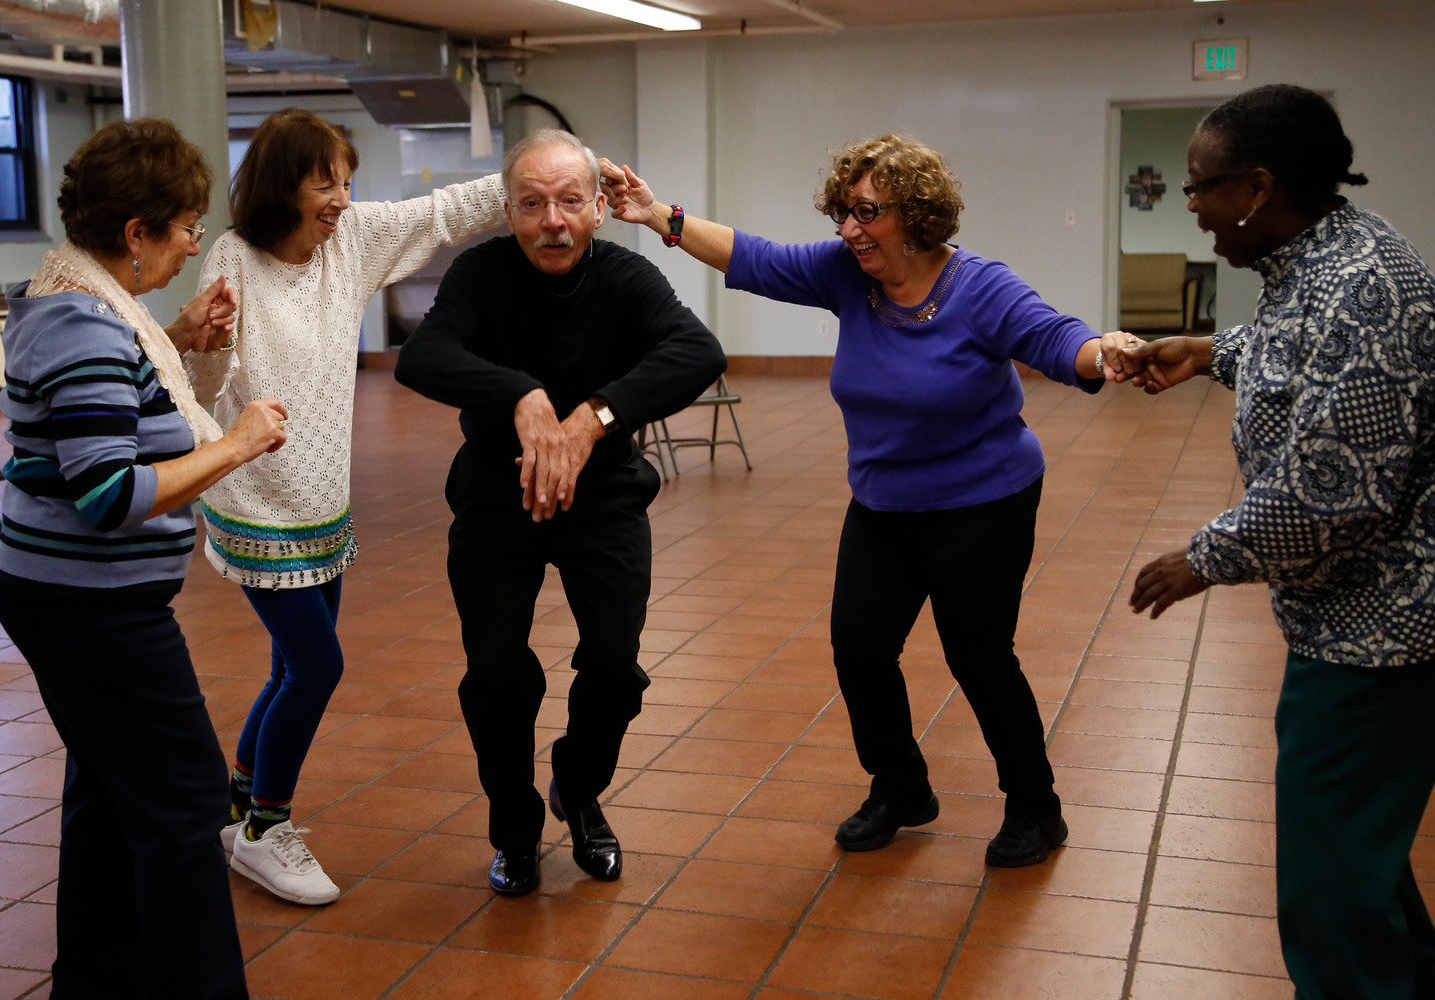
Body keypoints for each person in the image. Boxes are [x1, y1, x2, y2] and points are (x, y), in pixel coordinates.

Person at [603, 135, 1133, 867]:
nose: (849, 230)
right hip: (885, 502)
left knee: (979, 657)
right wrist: (655, 213)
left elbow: (1055, 339)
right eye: (842, 213)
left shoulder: (981, 287)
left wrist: (1103, 352)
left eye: (866, 213)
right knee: (859, 648)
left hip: (983, 500)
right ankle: (901, 788)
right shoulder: (849, 274)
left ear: (915, 217)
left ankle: (1036, 810)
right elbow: (752, 256)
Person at [1123, 84, 1435, 1000]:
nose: (1193, 208)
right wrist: (1205, 348)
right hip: (1349, 621)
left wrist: (1200, 559)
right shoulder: (1323, 261)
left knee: (1331, 886)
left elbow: (1333, 491)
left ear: (1257, 188)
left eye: (1200, 188)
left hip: (1385, 632)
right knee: (1361, 860)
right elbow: (1297, 349)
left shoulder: (1367, 282)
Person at [0, 118, 288, 1000]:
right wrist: (236, 444)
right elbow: (111, 495)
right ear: (136, 234)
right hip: (90, 607)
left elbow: (125, 412)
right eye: (188, 228)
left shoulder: (85, 305)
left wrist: (181, 338)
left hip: (68, 596)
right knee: (182, 803)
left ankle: (93, 979)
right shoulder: (82, 325)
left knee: (111, 794)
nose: (194, 247)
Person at [184, 108, 506, 906]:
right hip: (254, 497)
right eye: (322, 180)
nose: (340, 196)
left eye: (345, 179)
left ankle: (235, 808)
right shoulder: (233, 258)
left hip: (321, 499)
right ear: (278, 184)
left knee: (291, 664)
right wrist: (213, 342)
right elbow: (201, 394)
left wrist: (536, 182)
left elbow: (441, 212)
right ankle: (267, 828)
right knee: (317, 665)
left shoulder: (351, 240)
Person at [393, 129, 726, 896]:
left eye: (571, 202)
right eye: (535, 203)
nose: (554, 221)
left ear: (599, 208)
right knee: (497, 674)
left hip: (604, 493)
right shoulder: (480, 274)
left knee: (614, 665)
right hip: (495, 493)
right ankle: (514, 826)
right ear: (509, 211)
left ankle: (577, 790)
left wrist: (593, 418)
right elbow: (424, 355)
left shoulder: (624, 277)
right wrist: (520, 393)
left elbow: (697, 350)